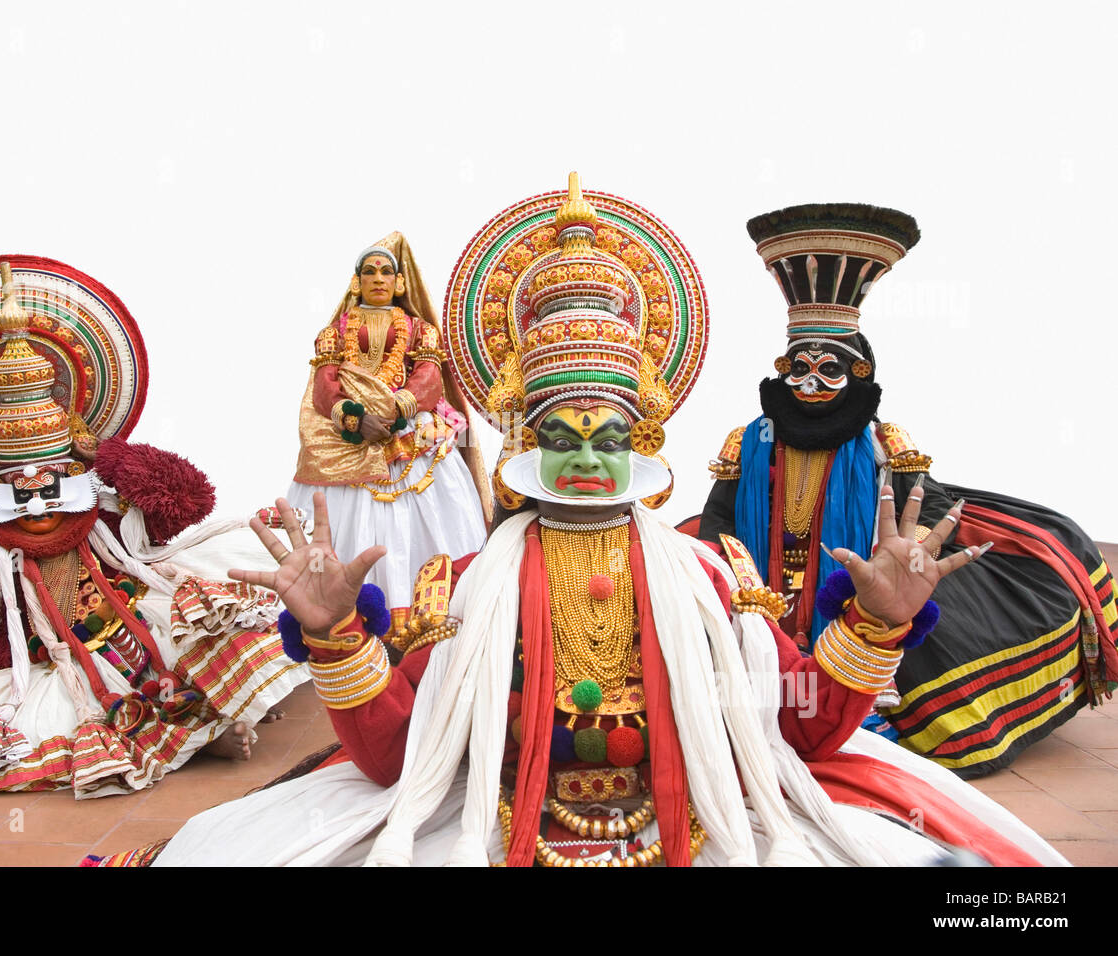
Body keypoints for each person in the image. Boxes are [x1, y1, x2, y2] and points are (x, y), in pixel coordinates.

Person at [128, 177, 1059, 866]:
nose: (584, 454)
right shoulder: (460, 586)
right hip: (496, 829)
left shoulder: (710, 577)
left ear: (642, 437)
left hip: (698, 826)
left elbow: (801, 735)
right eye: (560, 432)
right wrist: (335, 638)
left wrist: (879, 625)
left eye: (607, 433)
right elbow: (391, 763)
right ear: (524, 438)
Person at [0, 257, 308, 797]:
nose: (38, 504)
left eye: (52, 482)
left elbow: (188, 497)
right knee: (78, 710)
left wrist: (109, 456)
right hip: (67, 656)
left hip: (143, 611)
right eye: (20, 490)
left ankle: (223, 716)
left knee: (200, 636)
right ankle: (208, 738)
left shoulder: (105, 507)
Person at [696, 203, 1118, 777]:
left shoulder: (881, 442)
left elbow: (934, 505)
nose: (811, 383)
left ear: (860, 375)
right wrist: (735, 577)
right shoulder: (749, 441)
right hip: (760, 582)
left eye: (829, 370)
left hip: (861, 583)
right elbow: (718, 516)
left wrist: (898, 559)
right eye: (798, 369)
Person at [286, 232, 490, 634]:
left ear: (399, 283)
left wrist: (399, 407)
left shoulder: (419, 329)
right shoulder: (334, 331)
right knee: (343, 525)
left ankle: (440, 613)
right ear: (356, 282)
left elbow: (431, 376)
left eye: (386, 272)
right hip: (347, 441)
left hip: (410, 432)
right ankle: (352, 622)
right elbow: (325, 382)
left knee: (431, 518)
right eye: (368, 272)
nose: (378, 278)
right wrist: (353, 416)